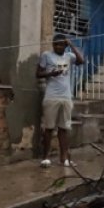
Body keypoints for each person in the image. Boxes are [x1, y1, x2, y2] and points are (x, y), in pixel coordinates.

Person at [37, 33, 85, 168]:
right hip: (51, 96)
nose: (58, 46)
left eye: (61, 44)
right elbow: (38, 74)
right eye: (56, 44)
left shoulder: (69, 56)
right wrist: (51, 74)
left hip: (66, 96)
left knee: (64, 128)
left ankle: (64, 158)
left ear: (65, 45)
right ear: (53, 45)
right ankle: (45, 158)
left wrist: (71, 45)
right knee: (49, 128)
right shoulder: (46, 55)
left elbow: (81, 61)